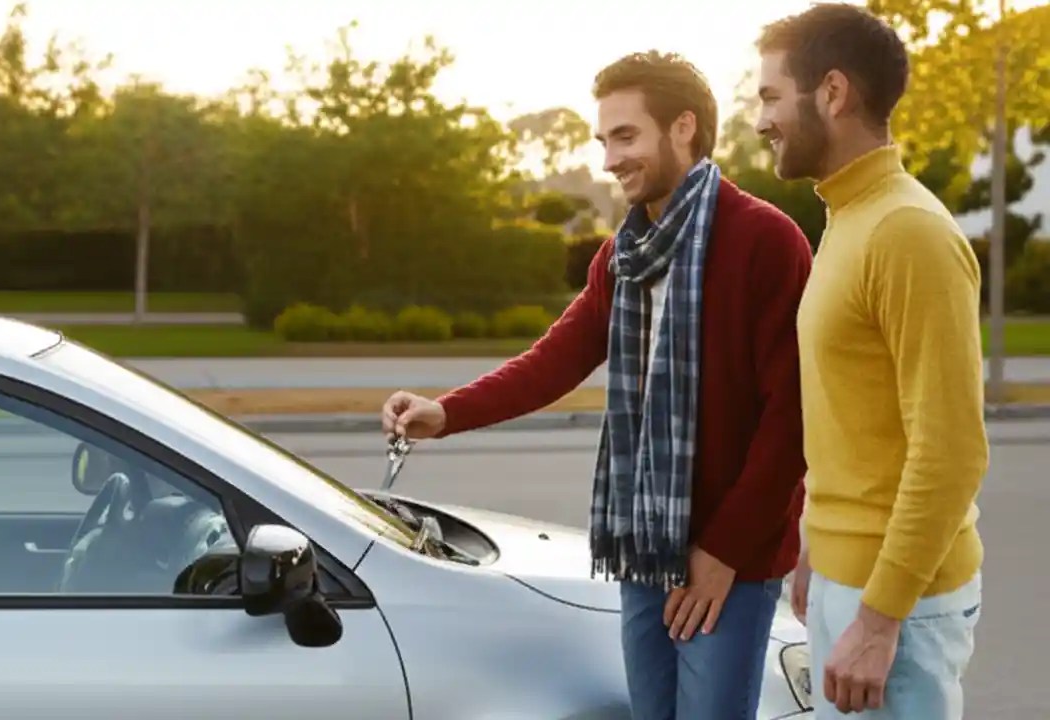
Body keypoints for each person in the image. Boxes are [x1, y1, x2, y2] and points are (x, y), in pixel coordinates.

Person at [382, 50, 812, 719]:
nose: (610, 159)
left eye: (625, 136)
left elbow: (793, 417)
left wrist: (724, 551)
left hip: (730, 560)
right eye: (604, 140)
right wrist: (445, 413)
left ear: (684, 129)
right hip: (644, 545)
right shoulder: (625, 252)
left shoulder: (764, 240)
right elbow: (556, 358)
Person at [754, 4, 989, 718]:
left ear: (832, 91)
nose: (761, 119)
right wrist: (816, 546)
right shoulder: (850, 219)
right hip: (851, 586)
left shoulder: (907, 232)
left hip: (899, 611)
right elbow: (858, 418)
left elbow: (950, 452)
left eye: (769, 96)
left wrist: (880, 619)